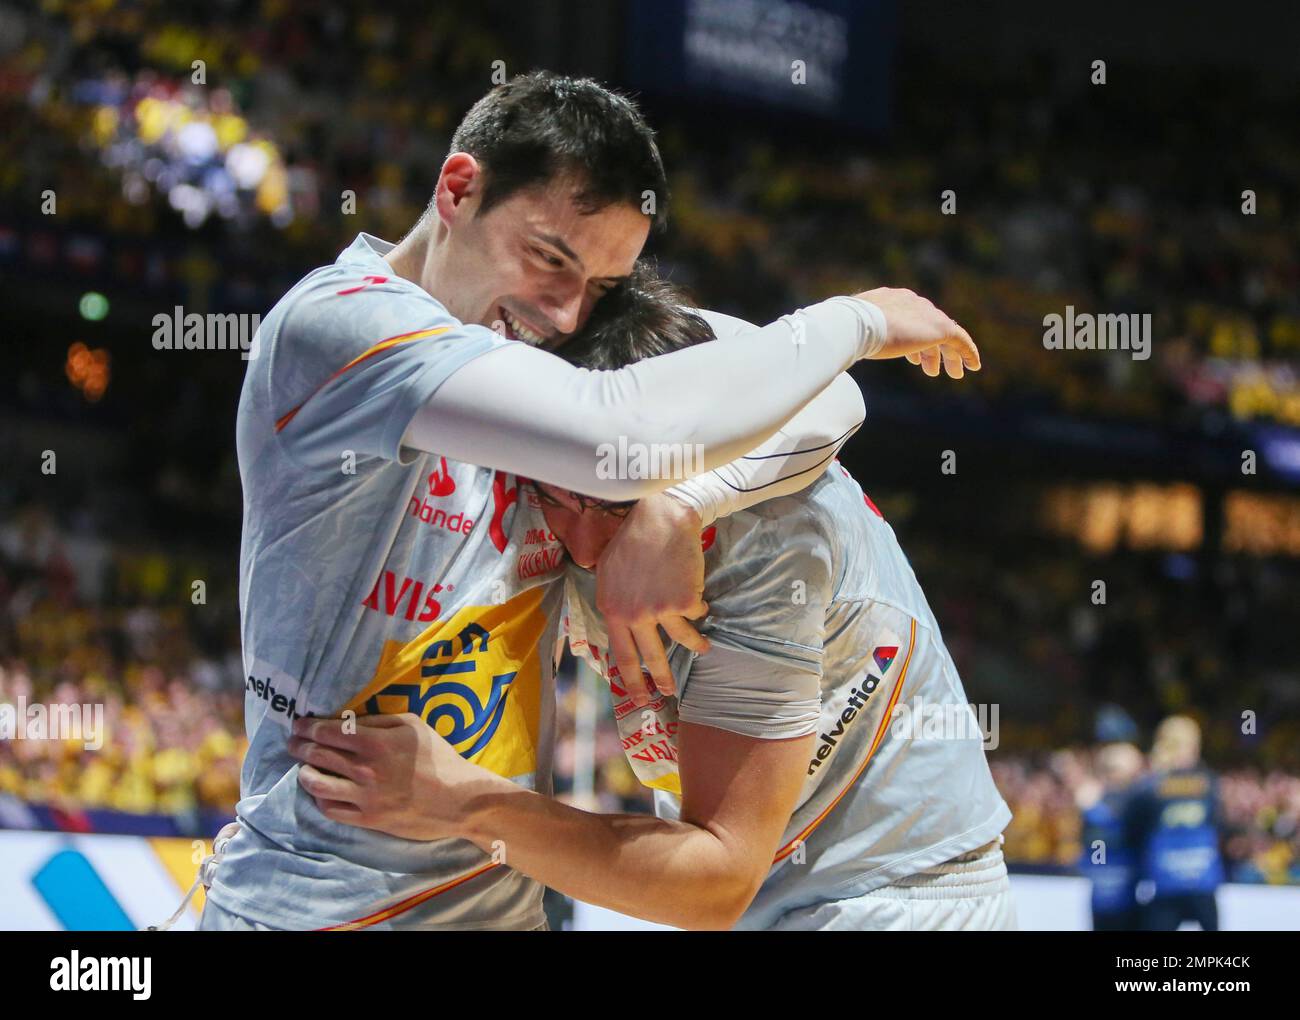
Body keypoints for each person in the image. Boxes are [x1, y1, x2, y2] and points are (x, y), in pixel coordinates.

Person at [206, 72, 982, 931]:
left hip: (506, 902)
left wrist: (679, 503)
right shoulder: (339, 324)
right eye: (550, 258)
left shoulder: (550, 354)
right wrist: (862, 319)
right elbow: (626, 427)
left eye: (603, 288)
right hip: (315, 902)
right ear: (459, 189)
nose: (566, 312)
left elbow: (820, 393)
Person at [291, 277, 1012, 931]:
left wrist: (464, 803)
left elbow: (715, 880)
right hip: (778, 901)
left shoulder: (769, 537)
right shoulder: (569, 428)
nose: (580, 543)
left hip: (895, 900)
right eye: (560, 495)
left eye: (611, 508)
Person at [1127, 715, 1225, 931]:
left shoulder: (1149, 786)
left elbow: (1133, 826)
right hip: (1201, 878)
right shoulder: (1209, 782)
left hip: (1165, 881)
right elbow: (1220, 824)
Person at [1077, 742, 1145, 930]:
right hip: (1105, 891)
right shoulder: (1094, 801)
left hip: (1130, 893)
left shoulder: (1135, 799)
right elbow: (1094, 846)